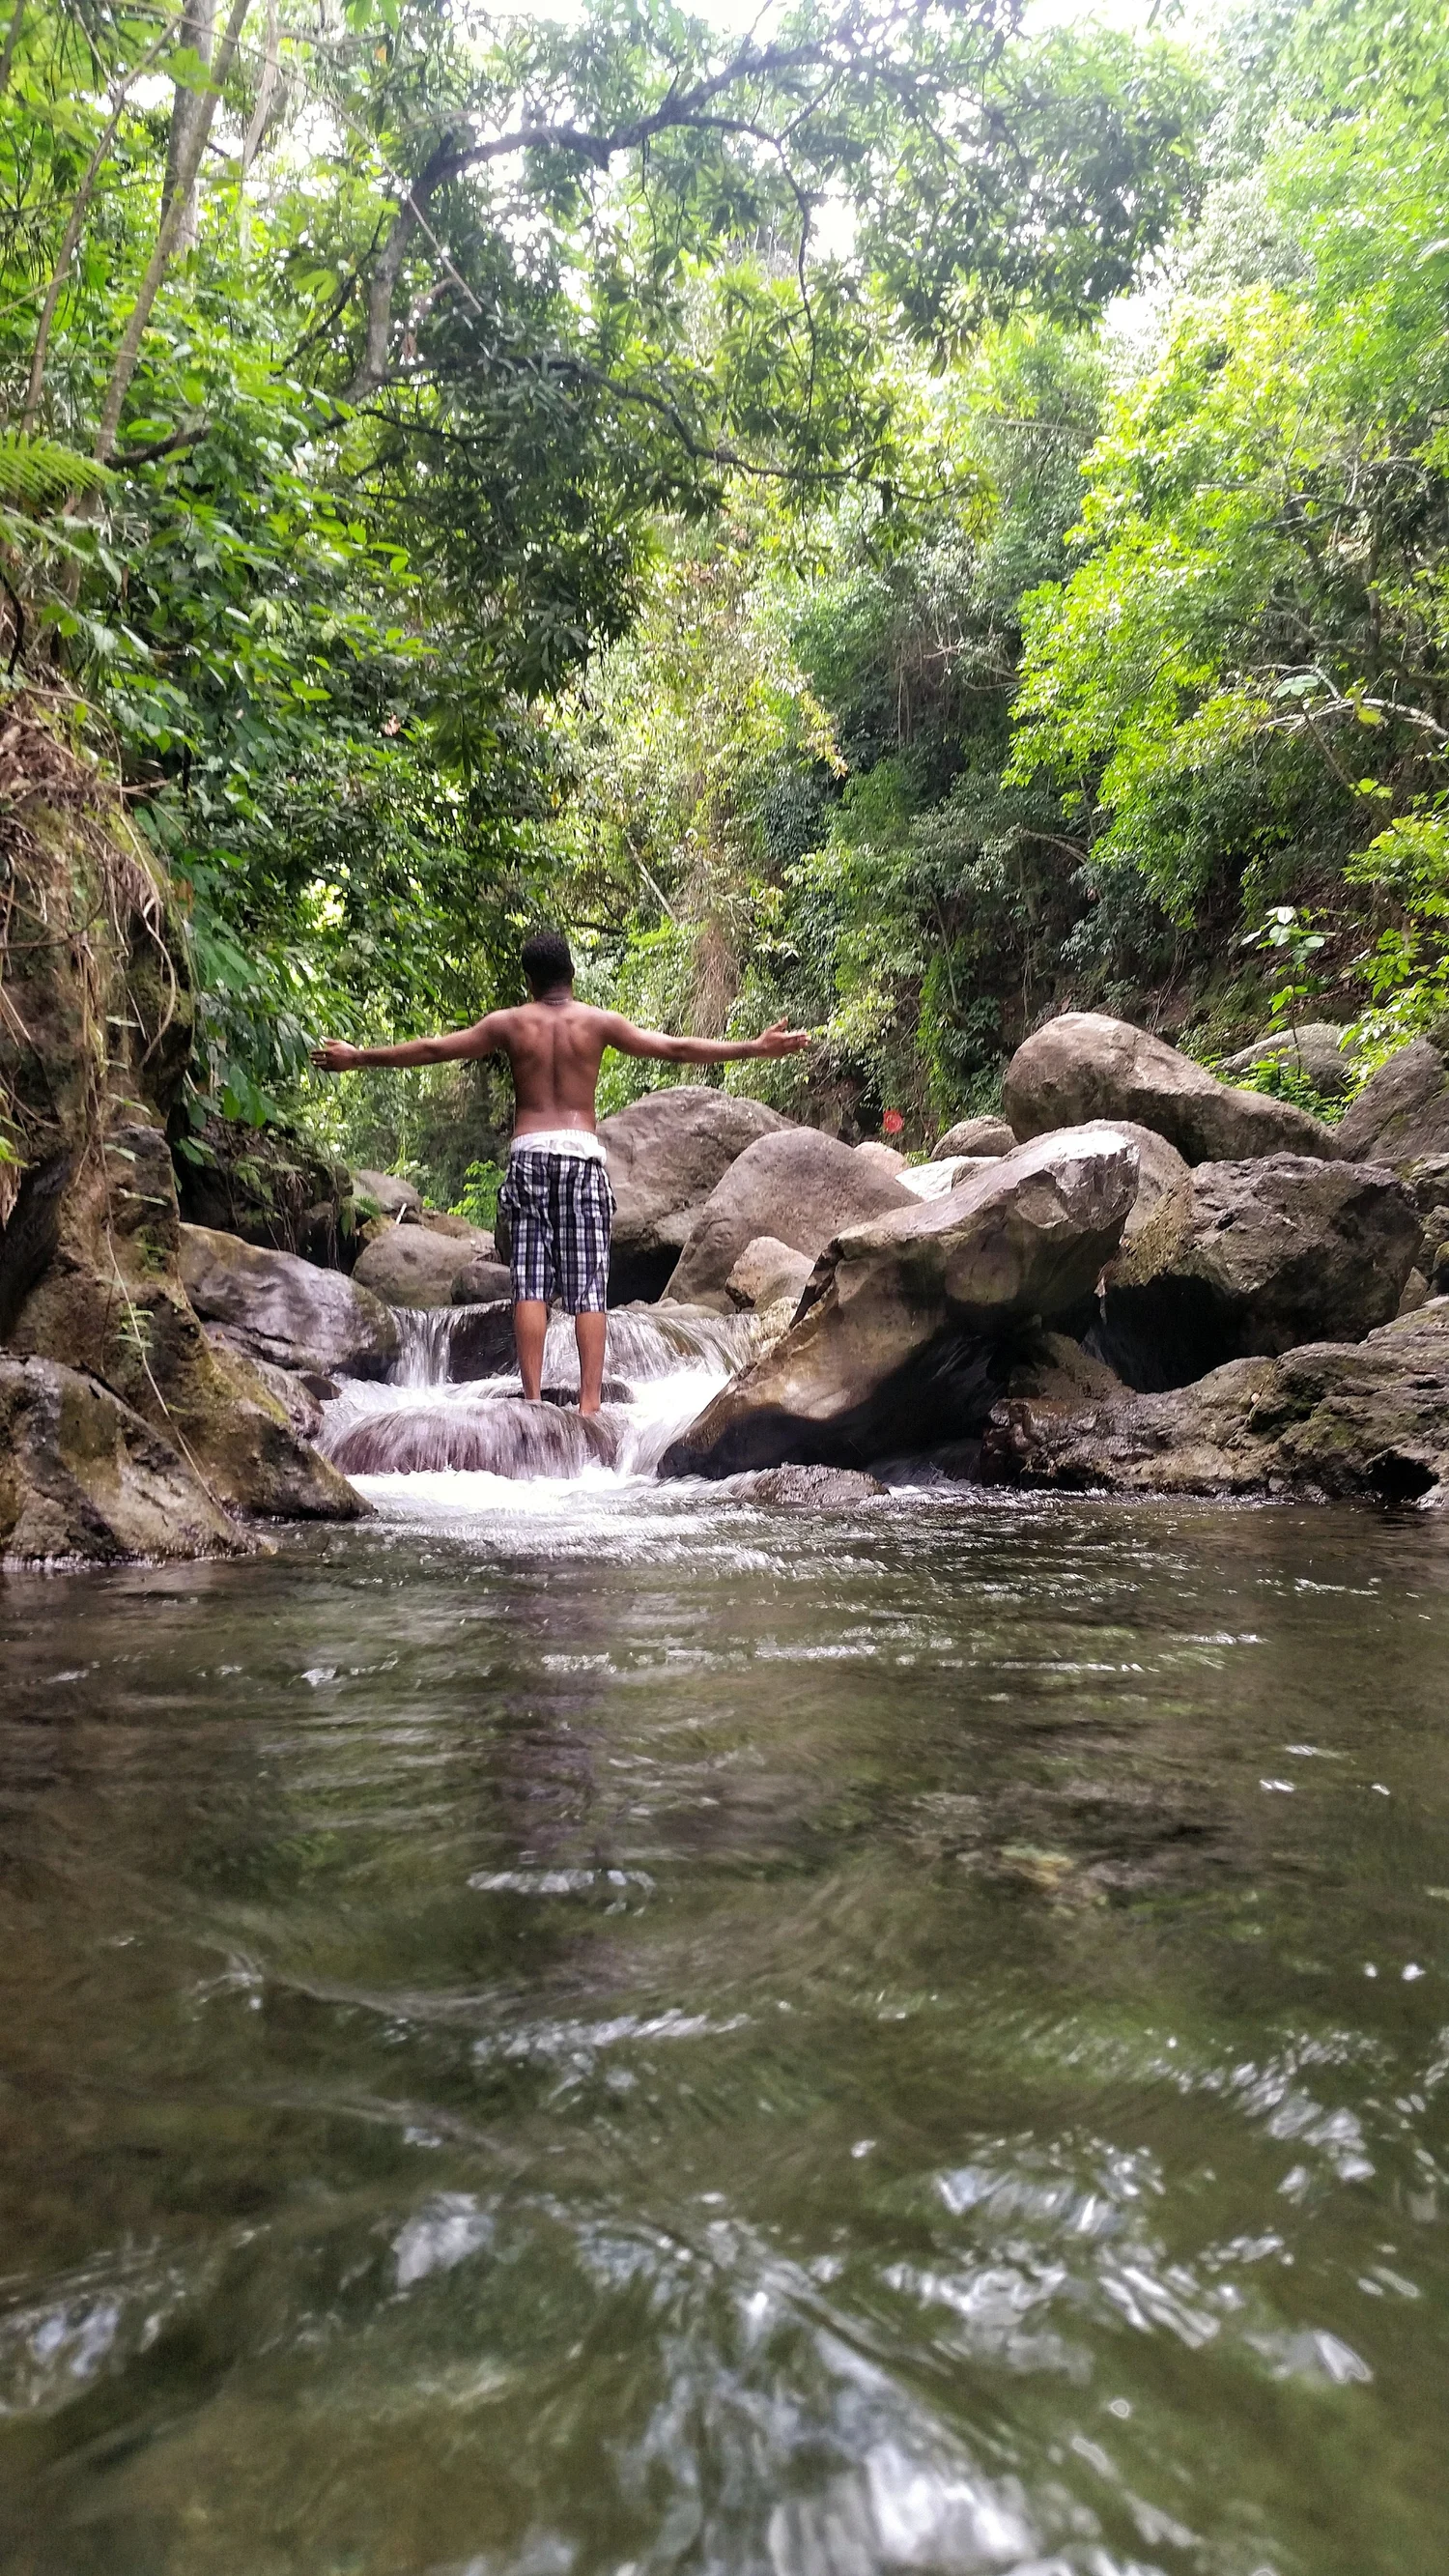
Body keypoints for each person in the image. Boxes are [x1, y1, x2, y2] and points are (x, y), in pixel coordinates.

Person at [311, 928, 812, 1415]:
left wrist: (358, 1057)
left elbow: (434, 1048)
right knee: (590, 1288)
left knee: (530, 1285)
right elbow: (676, 1048)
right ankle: (590, 1406)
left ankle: (532, 1401)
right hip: (580, 1157)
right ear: (571, 972)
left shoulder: (508, 1023)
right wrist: (753, 1046)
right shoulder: (597, 1023)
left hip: (529, 1155)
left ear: (529, 981)